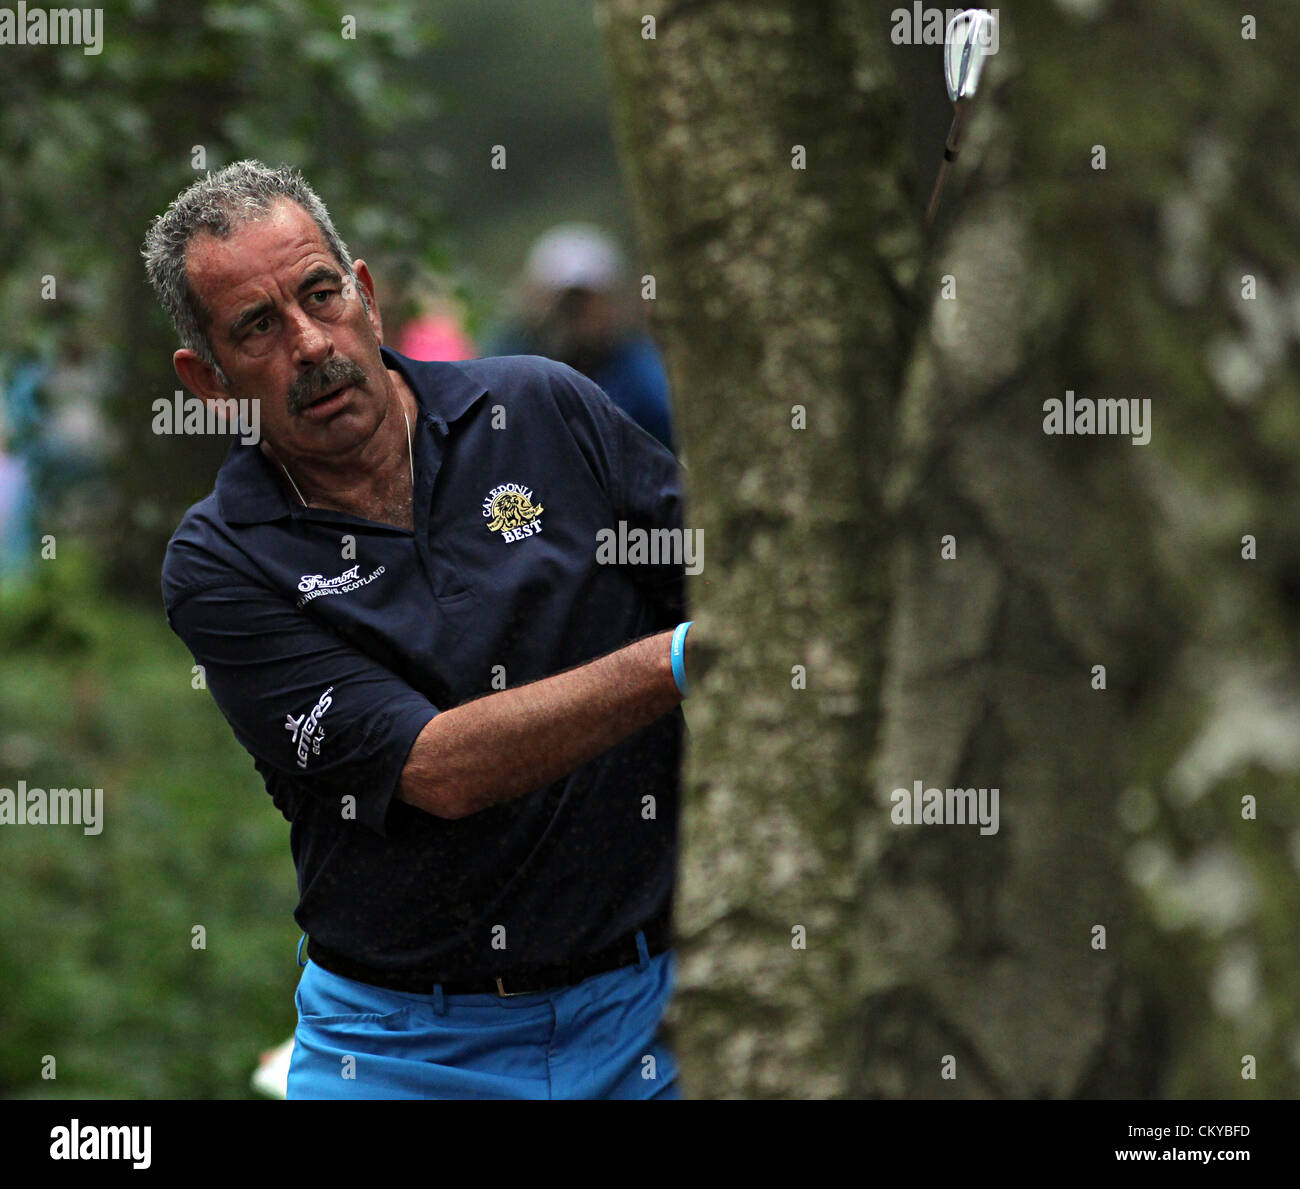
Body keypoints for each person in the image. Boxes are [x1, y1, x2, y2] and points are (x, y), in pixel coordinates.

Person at [142, 160, 697, 1100]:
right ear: (207, 378)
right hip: (400, 1049)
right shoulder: (221, 563)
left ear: (364, 293)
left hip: (655, 1013)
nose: (311, 344)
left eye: (321, 294)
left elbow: (744, 584)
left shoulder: (545, 408)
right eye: (258, 328)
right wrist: (688, 659)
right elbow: (440, 769)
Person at [487, 224, 677, 453]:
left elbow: (670, 428)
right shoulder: (510, 362)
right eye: (566, 302)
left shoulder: (635, 366)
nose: (576, 314)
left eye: (586, 301)